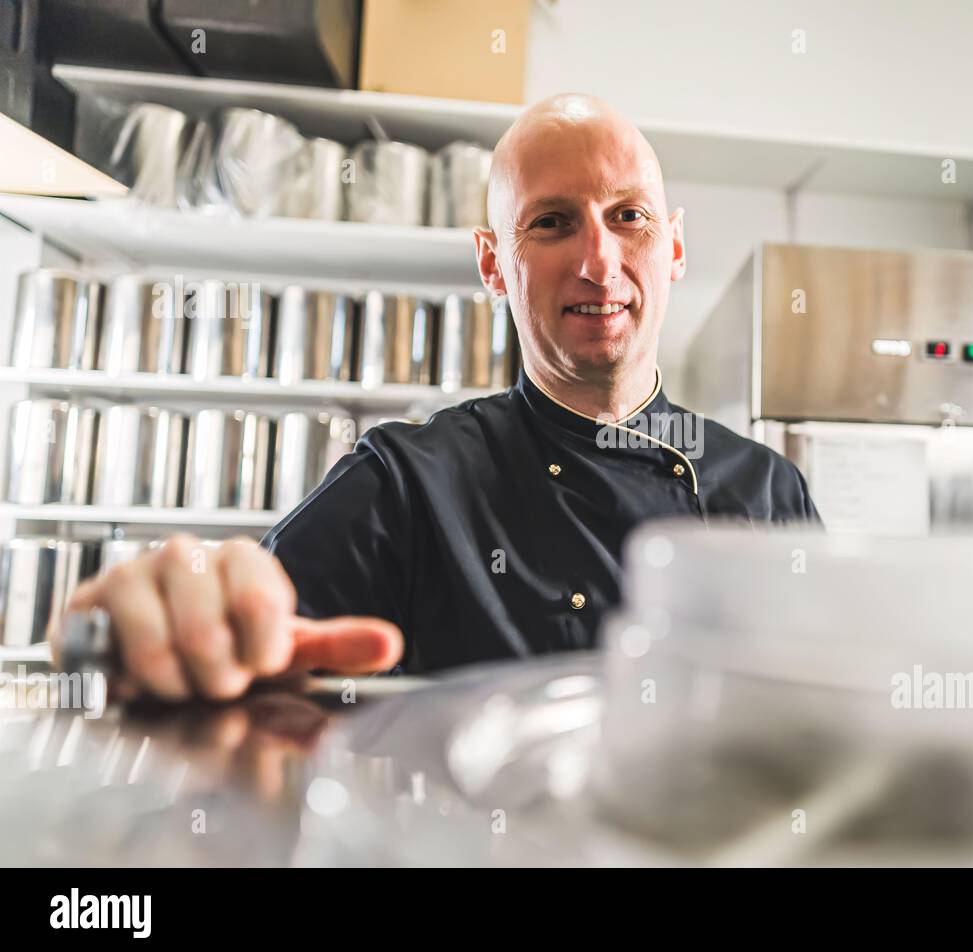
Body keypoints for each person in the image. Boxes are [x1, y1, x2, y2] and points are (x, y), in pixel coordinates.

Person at [59, 93, 820, 702]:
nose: (598, 260)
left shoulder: (767, 488)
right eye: (552, 223)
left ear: (673, 246)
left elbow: (828, 721)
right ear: (493, 265)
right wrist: (144, 630)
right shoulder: (407, 483)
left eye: (629, 216)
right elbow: (250, 643)